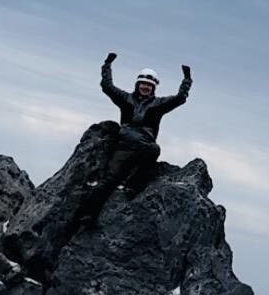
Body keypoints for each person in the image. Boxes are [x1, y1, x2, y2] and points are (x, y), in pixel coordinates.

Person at [73, 53, 193, 227]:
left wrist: (187, 79)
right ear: (138, 84)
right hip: (124, 145)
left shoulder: (159, 104)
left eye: (149, 85)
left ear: (153, 88)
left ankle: (133, 185)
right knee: (108, 181)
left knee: (154, 150)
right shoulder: (126, 99)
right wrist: (107, 65)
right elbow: (107, 87)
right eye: (143, 83)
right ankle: (88, 216)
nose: (145, 87)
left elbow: (180, 98)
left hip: (144, 146)